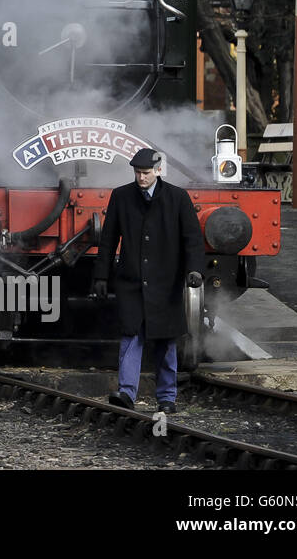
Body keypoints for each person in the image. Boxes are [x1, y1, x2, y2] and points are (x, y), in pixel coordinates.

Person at [92, 148, 204, 414]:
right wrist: (100, 275)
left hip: (166, 283)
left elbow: (192, 239)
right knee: (131, 336)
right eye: (137, 173)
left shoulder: (178, 198)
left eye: (145, 173)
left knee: (166, 341)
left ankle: (167, 397)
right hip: (130, 281)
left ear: (157, 170)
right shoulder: (121, 196)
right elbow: (108, 241)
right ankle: (127, 392)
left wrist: (195, 270)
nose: (141, 178)